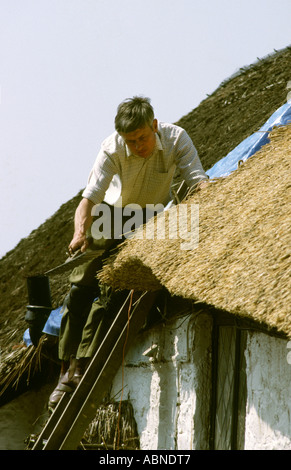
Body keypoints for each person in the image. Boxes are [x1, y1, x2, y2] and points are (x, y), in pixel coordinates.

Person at [48, 96, 208, 409]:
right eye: (131, 142)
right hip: (111, 214)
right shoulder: (111, 148)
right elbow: (89, 200)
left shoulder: (177, 139)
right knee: (81, 287)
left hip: (149, 219)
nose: (138, 146)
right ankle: (65, 370)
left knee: (109, 290)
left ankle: (82, 364)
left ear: (155, 126)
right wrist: (80, 232)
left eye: (143, 139)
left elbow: (198, 181)